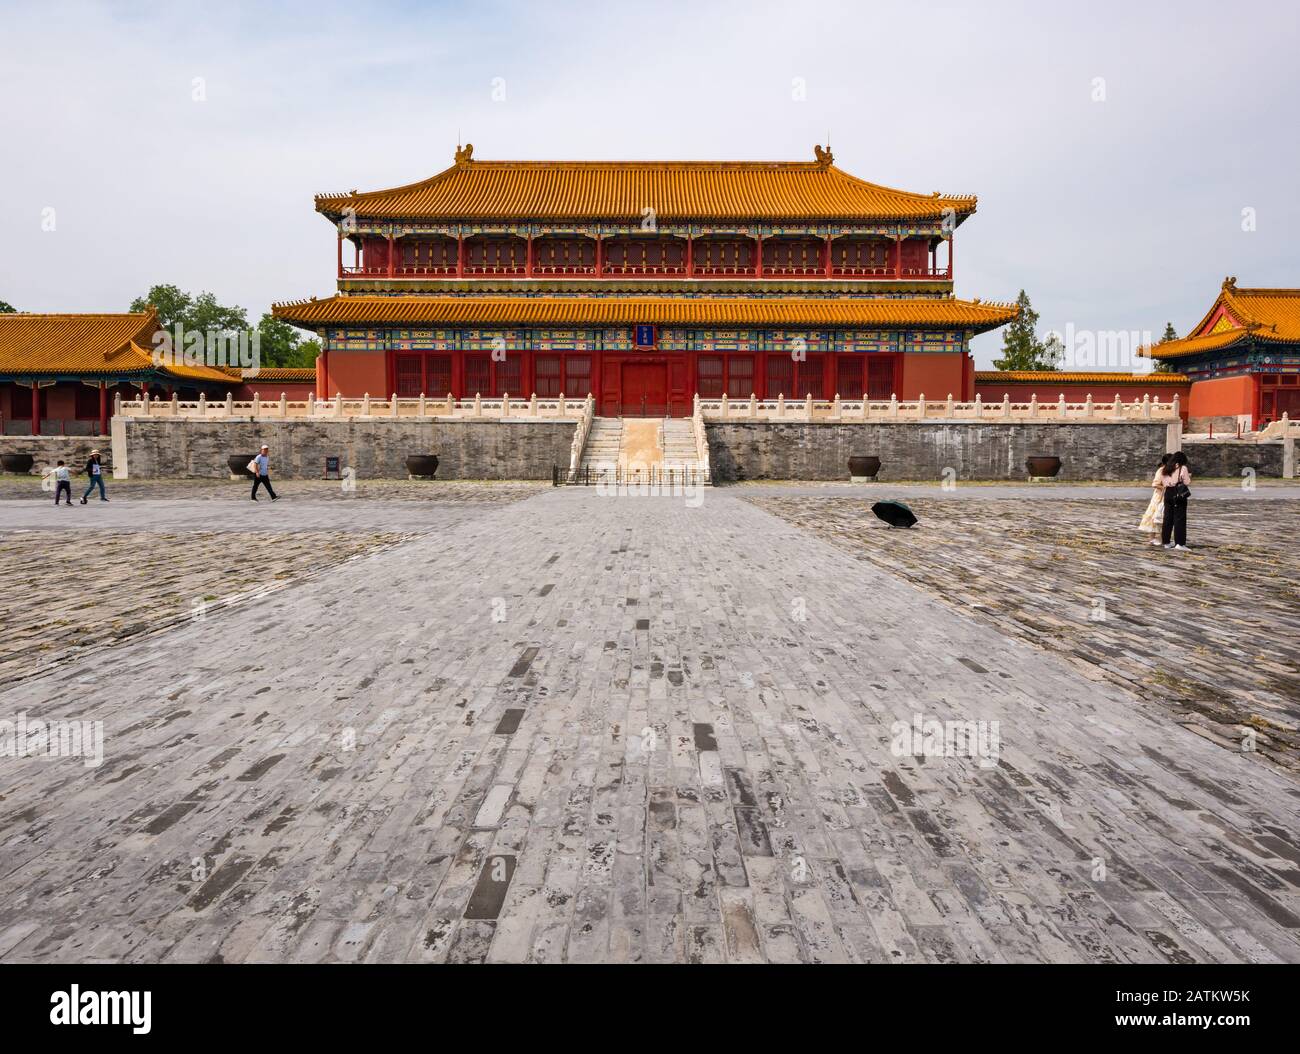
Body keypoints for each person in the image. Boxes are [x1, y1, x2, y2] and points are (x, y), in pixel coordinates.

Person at [1159, 451, 1191, 551]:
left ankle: (1166, 542)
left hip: (1168, 493)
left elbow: (1163, 481)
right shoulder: (1182, 468)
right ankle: (1180, 543)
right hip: (1178, 493)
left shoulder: (1166, 468)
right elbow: (1187, 482)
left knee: (1168, 518)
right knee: (1179, 518)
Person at [1138, 453, 1171, 544]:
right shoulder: (1161, 470)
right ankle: (1152, 538)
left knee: (1163, 518)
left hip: (1166, 496)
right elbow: (1155, 484)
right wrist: (1165, 487)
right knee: (1155, 516)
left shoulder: (1170, 470)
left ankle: (1161, 538)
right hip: (1159, 497)